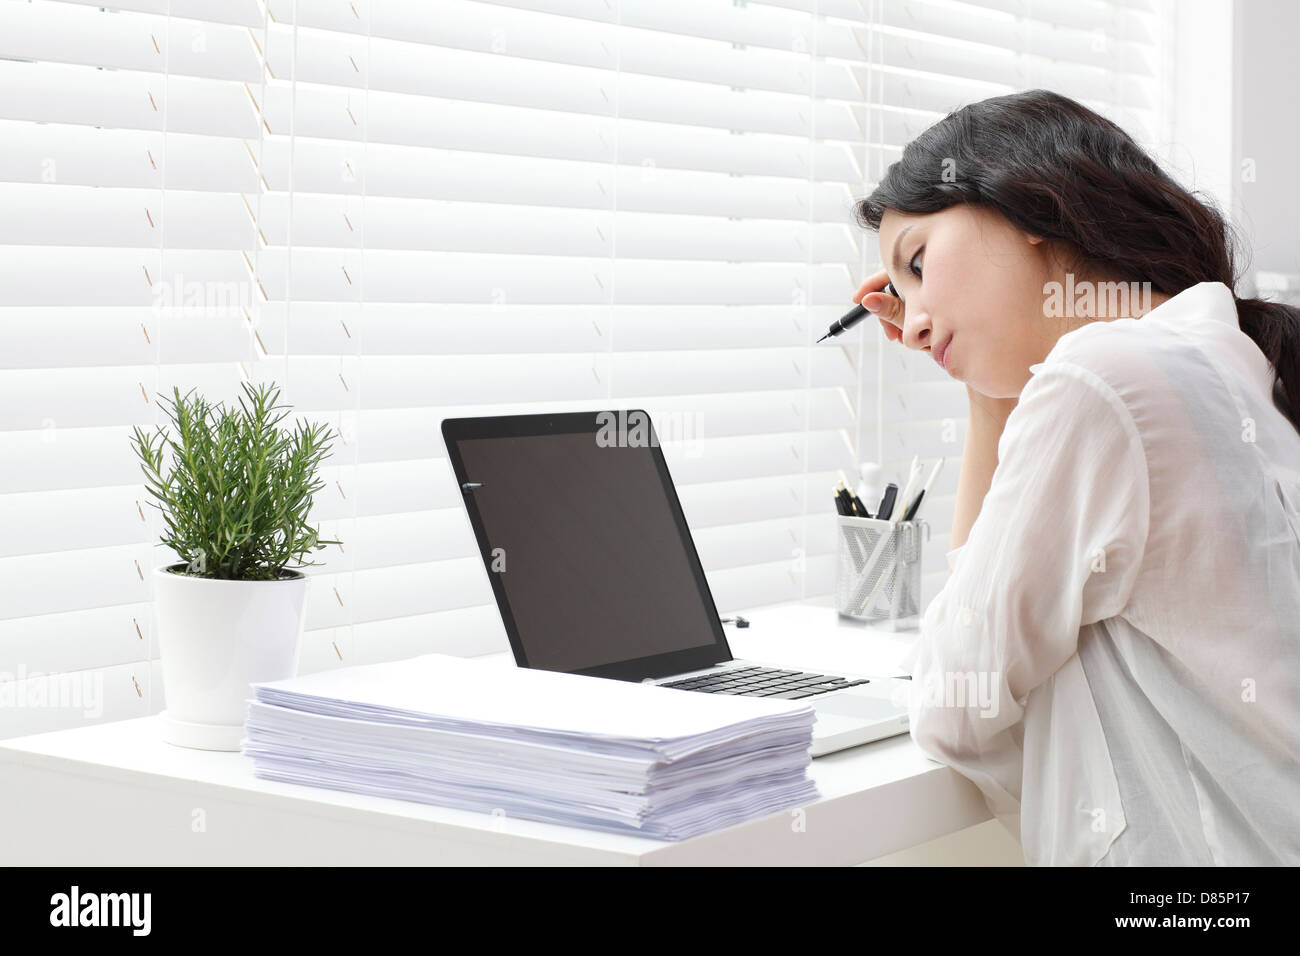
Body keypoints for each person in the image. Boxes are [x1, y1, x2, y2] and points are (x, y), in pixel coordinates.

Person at [851, 89, 1300, 866]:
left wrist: (989, 401)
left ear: (1025, 198)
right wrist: (985, 392)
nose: (913, 322)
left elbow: (953, 698)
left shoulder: (1102, 381)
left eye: (918, 264)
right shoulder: (1218, 357)